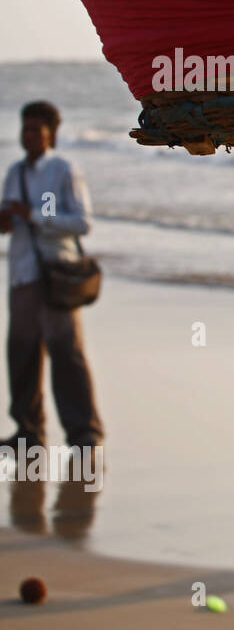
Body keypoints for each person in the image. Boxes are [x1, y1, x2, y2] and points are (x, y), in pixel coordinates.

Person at [0, 102, 102, 452]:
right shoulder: (15, 172)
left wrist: (39, 216)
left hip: (56, 272)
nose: (28, 135)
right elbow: (9, 220)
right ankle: (28, 434)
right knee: (21, 354)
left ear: (51, 134)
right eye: (25, 128)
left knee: (66, 356)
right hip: (22, 274)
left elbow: (82, 222)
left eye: (35, 130)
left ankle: (84, 436)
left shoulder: (63, 170)